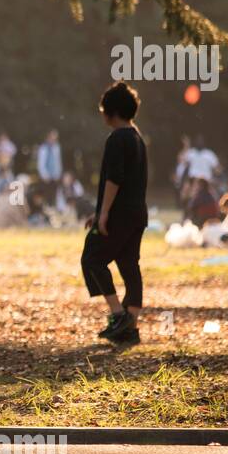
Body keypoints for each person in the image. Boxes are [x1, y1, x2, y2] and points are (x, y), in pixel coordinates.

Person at [80, 81, 148, 345]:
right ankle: (130, 326)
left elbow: (114, 179)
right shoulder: (137, 137)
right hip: (137, 214)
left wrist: (104, 213)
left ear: (112, 111)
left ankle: (118, 314)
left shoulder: (117, 138)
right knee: (129, 264)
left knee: (92, 257)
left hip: (119, 213)